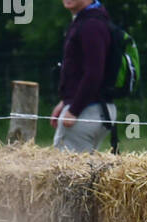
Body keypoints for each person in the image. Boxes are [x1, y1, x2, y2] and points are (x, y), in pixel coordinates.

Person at [50, 0, 115, 154]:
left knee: (65, 174)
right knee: (86, 171)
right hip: (98, 108)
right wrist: (65, 101)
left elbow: (94, 73)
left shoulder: (90, 25)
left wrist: (74, 109)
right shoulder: (93, 20)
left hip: (86, 111)